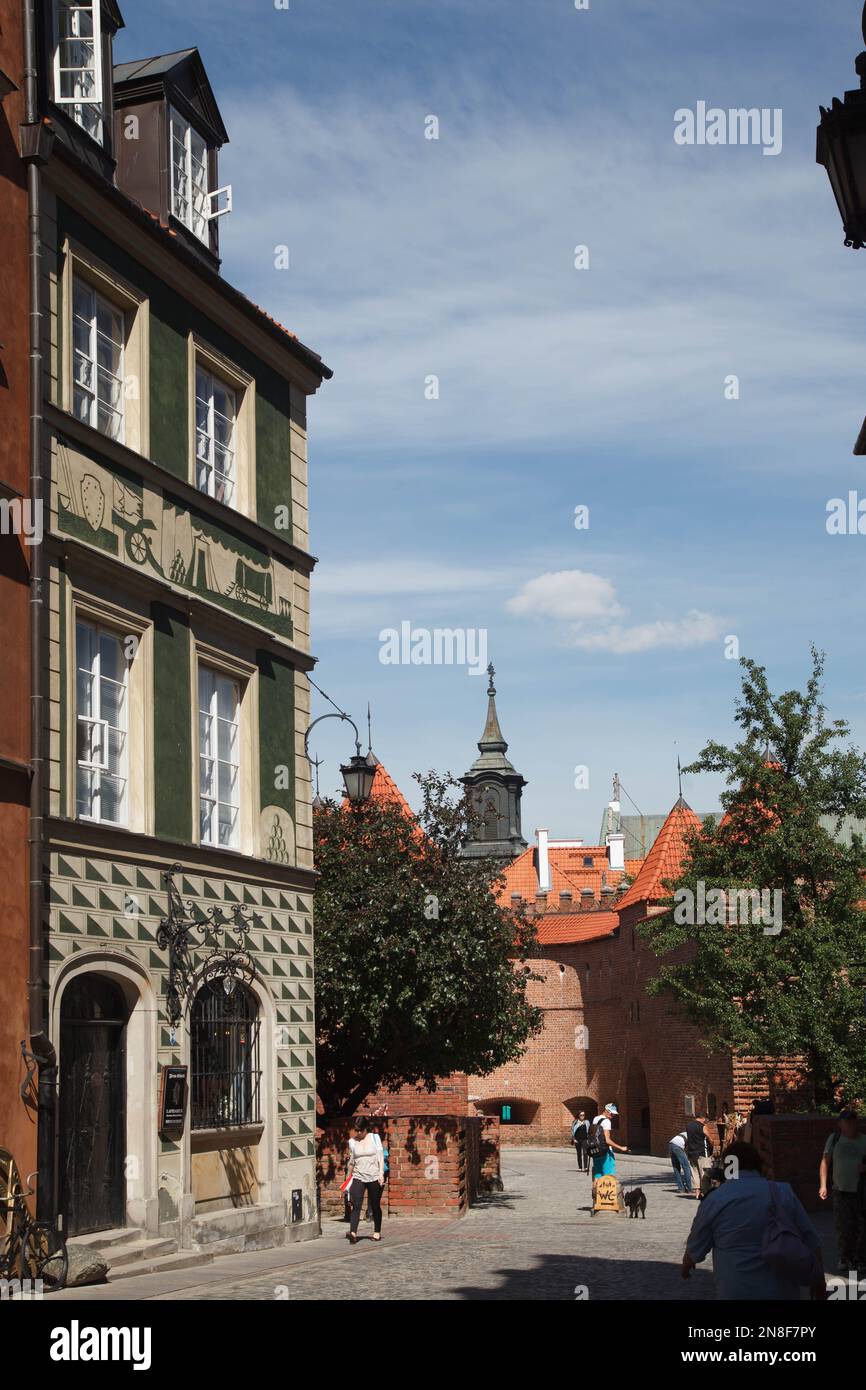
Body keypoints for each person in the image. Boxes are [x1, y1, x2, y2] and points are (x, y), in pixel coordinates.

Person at [682, 1142, 826, 1300]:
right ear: (758, 1164)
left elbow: (698, 1241)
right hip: (781, 1289)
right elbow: (810, 1237)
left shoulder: (716, 1199)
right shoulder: (782, 1192)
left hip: (736, 1287)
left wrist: (688, 1261)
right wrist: (819, 1281)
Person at [819, 1108, 866, 1275]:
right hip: (840, 1190)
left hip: (860, 1192)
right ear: (840, 1124)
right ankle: (845, 1258)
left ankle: (860, 1260)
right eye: (847, 1123)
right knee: (843, 1227)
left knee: (861, 1228)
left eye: (854, 1123)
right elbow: (825, 1162)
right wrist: (823, 1185)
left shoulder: (864, 1141)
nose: (851, 1127)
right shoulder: (834, 1139)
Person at [346, 1117, 385, 1244]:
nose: (358, 1133)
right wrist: (347, 1180)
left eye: (360, 1130)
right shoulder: (352, 1142)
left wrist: (381, 1174)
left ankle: (377, 1232)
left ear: (366, 1129)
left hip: (374, 1176)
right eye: (356, 1130)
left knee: (375, 1205)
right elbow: (351, 1163)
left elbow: (380, 1157)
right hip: (358, 1176)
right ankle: (353, 1233)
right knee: (356, 1205)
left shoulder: (374, 1138)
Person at [590, 1103, 628, 1190]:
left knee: (597, 1175)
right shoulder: (607, 1121)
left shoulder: (595, 1119)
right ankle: (607, 1200)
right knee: (609, 1176)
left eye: (614, 1114)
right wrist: (621, 1147)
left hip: (595, 1151)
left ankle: (596, 1198)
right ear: (606, 1111)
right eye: (612, 1113)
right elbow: (607, 1140)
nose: (613, 1115)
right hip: (605, 1152)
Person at [684, 1111, 714, 1198]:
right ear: (703, 1118)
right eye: (706, 1120)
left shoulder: (689, 1126)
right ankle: (705, 1192)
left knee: (695, 1173)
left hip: (691, 1153)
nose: (706, 1121)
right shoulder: (703, 1127)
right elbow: (709, 1138)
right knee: (704, 1174)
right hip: (702, 1153)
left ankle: (697, 1193)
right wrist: (712, 1145)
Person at [668, 1128, 693, 1194]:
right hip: (678, 1146)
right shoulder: (693, 1135)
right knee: (686, 1167)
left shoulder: (685, 1132)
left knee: (676, 1168)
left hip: (671, 1144)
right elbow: (691, 1148)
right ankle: (689, 1188)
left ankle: (681, 1188)